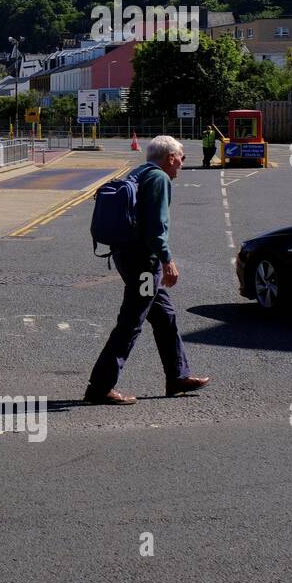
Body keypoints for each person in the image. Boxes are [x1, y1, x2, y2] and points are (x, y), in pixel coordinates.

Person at [85, 135, 211, 404]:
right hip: (144, 264)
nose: (182, 164)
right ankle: (100, 386)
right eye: (182, 158)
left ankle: (177, 376)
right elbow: (156, 228)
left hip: (126, 255)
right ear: (170, 158)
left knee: (165, 316)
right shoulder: (159, 179)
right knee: (131, 320)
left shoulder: (138, 172)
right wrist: (167, 260)